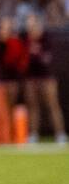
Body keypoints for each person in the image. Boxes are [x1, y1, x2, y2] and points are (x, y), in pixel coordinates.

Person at [22, 14, 66, 143]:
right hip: (31, 77)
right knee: (33, 105)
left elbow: (48, 59)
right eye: (30, 26)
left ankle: (60, 133)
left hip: (46, 77)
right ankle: (34, 134)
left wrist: (38, 53)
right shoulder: (25, 40)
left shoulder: (47, 38)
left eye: (34, 26)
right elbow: (23, 61)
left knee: (53, 105)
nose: (32, 29)